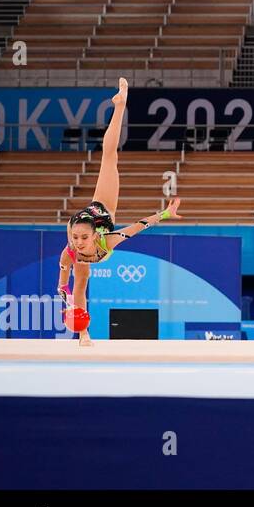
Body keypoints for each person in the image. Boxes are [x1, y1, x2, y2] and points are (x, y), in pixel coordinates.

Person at [55, 77, 185, 346]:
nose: (79, 243)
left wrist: (164, 214)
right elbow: (65, 282)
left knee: (109, 155)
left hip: (102, 206)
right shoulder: (72, 251)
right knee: (81, 284)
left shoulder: (107, 238)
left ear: (94, 237)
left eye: (82, 239)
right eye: (76, 239)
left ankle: (120, 105)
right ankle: (84, 333)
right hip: (82, 223)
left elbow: (138, 225)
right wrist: (64, 294)